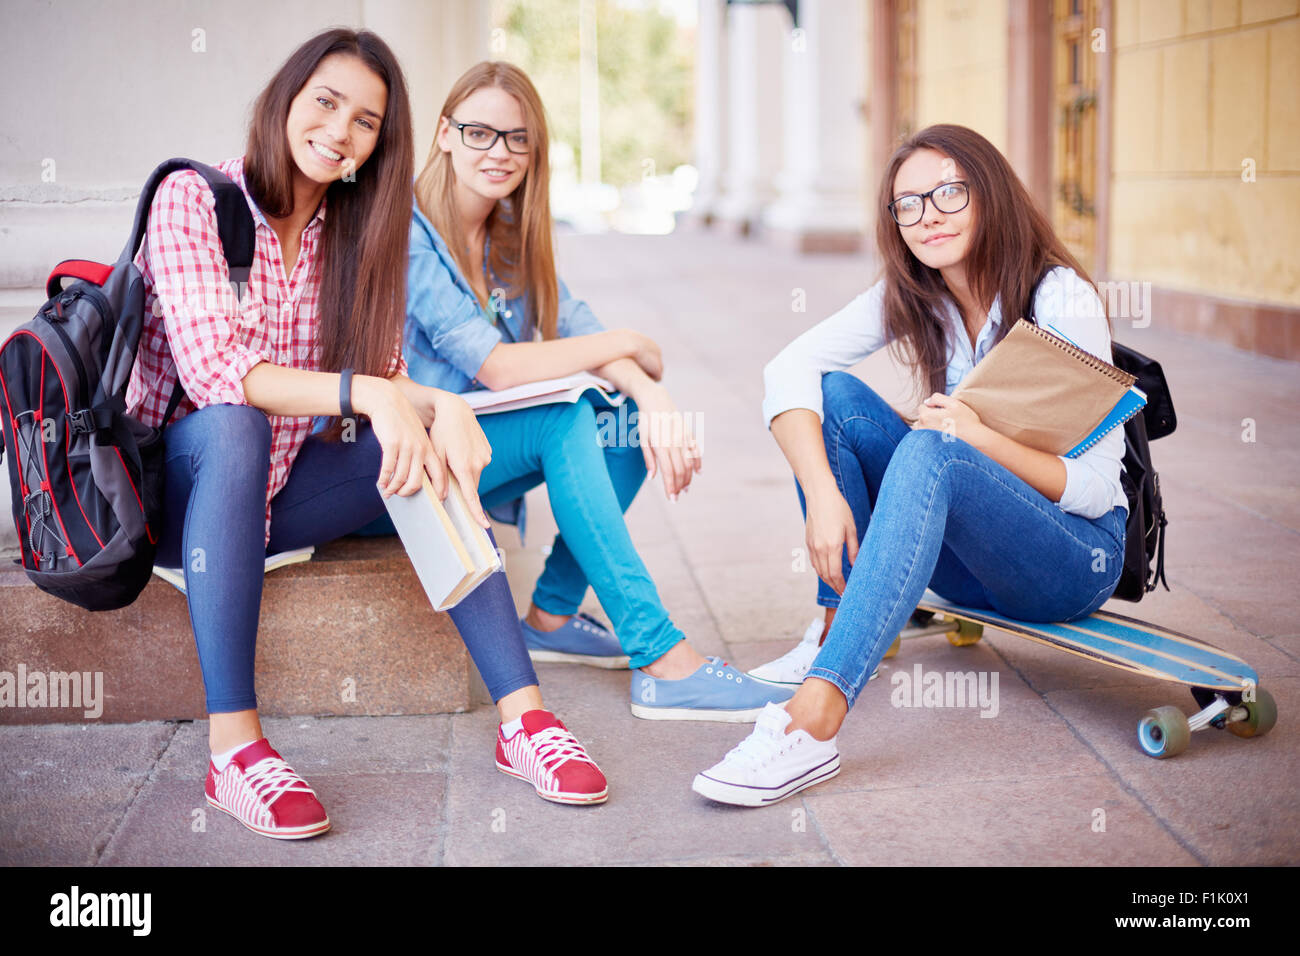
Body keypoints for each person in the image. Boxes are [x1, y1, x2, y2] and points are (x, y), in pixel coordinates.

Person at [127, 30, 607, 840]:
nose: (340, 130)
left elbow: (385, 371)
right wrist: (374, 393)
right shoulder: (195, 200)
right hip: (179, 499)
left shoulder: (353, 234)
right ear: (285, 100)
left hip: (279, 495)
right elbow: (219, 376)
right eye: (326, 102)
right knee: (237, 425)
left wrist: (437, 406)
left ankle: (525, 722)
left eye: (366, 121)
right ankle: (234, 752)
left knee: (421, 438)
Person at [693, 124, 1128, 805]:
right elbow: (790, 369)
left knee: (936, 445)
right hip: (967, 569)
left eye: (949, 193)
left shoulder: (1059, 298)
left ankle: (814, 720)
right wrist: (823, 493)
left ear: (989, 195)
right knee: (838, 396)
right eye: (909, 204)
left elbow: (1100, 490)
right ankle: (840, 625)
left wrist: (977, 436)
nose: (928, 216)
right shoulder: (918, 294)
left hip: (1069, 564)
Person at [402, 61, 793, 720]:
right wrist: (626, 344)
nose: (499, 152)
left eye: (517, 139)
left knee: (618, 419)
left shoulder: (506, 240)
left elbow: (584, 328)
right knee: (569, 415)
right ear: (444, 134)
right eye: (479, 133)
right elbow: (495, 365)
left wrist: (648, 393)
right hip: (412, 467)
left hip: (474, 459)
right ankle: (661, 657)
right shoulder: (407, 236)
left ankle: (550, 616)